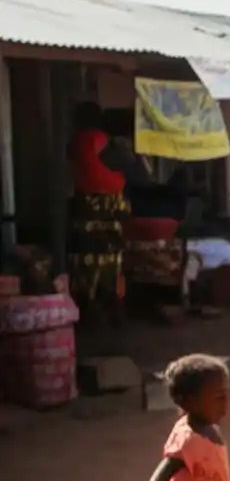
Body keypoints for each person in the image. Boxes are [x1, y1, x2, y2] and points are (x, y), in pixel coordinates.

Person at [69, 101, 130, 327]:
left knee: (83, 265)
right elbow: (128, 168)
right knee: (112, 264)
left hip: (84, 211)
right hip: (110, 210)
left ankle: (86, 307)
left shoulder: (73, 144)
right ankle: (113, 308)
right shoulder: (109, 144)